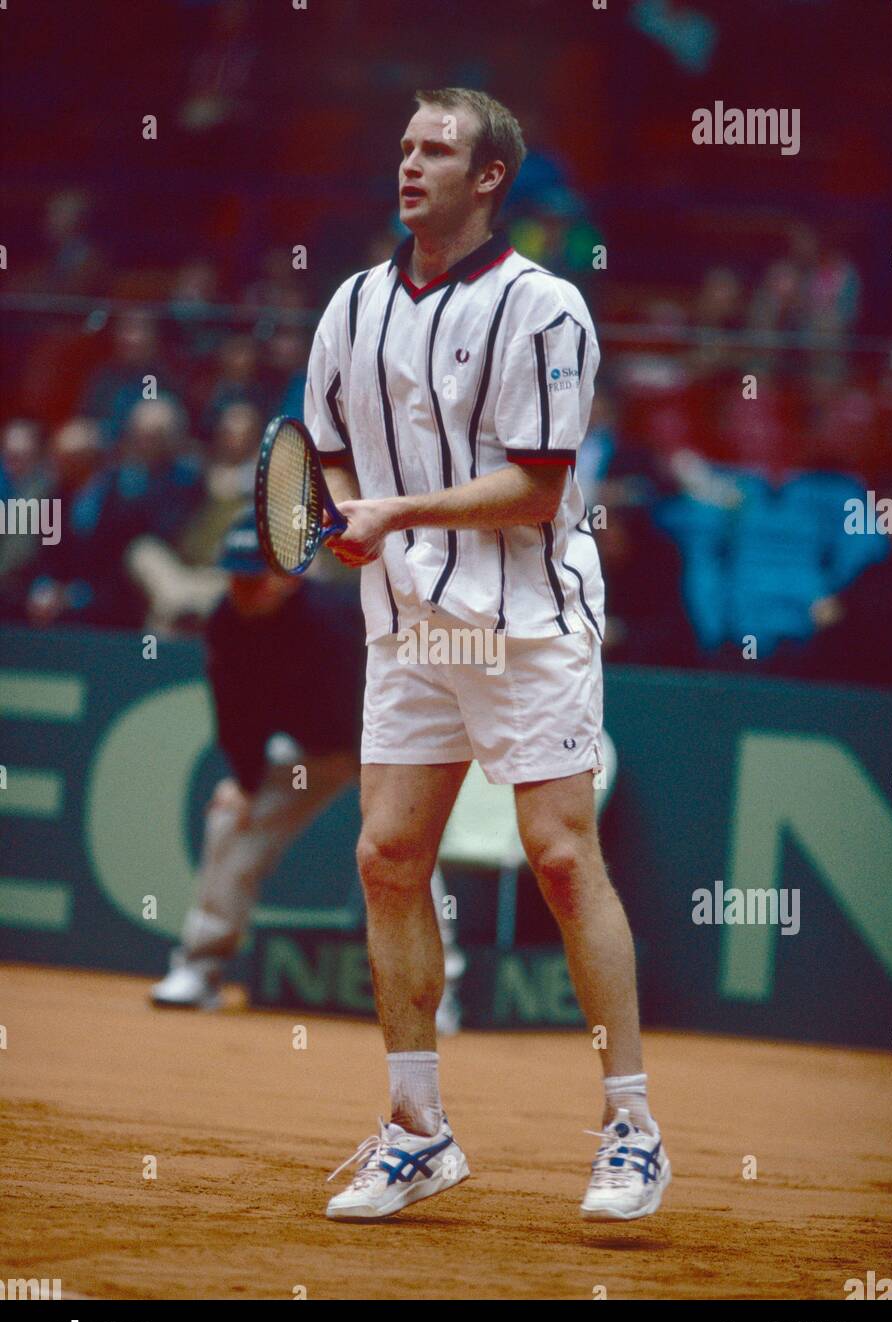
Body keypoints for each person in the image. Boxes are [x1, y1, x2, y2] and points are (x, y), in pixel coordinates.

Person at [308, 87, 670, 1223]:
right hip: (410, 630)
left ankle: (630, 1129)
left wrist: (391, 512)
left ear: (489, 177)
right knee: (386, 856)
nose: (409, 165)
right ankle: (418, 1134)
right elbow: (323, 450)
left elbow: (535, 486)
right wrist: (344, 518)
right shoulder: (351, 305)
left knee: (562, 858)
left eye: (437, 151)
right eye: (403, 145)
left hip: (525, 623)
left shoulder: (545, 308)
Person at [149, 510, 465, 1028]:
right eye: (235, 574)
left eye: (255, 575)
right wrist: (246, 783)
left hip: (383, 745)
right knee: (231, 820)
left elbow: (375, 703)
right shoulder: (227, 621)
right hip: (306, 753)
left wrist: (386, 785)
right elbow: (236, 711)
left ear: (289, 576)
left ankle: (435, 996)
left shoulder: (335, 618)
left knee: (403, 852)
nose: (243, 587)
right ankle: (199, 971)